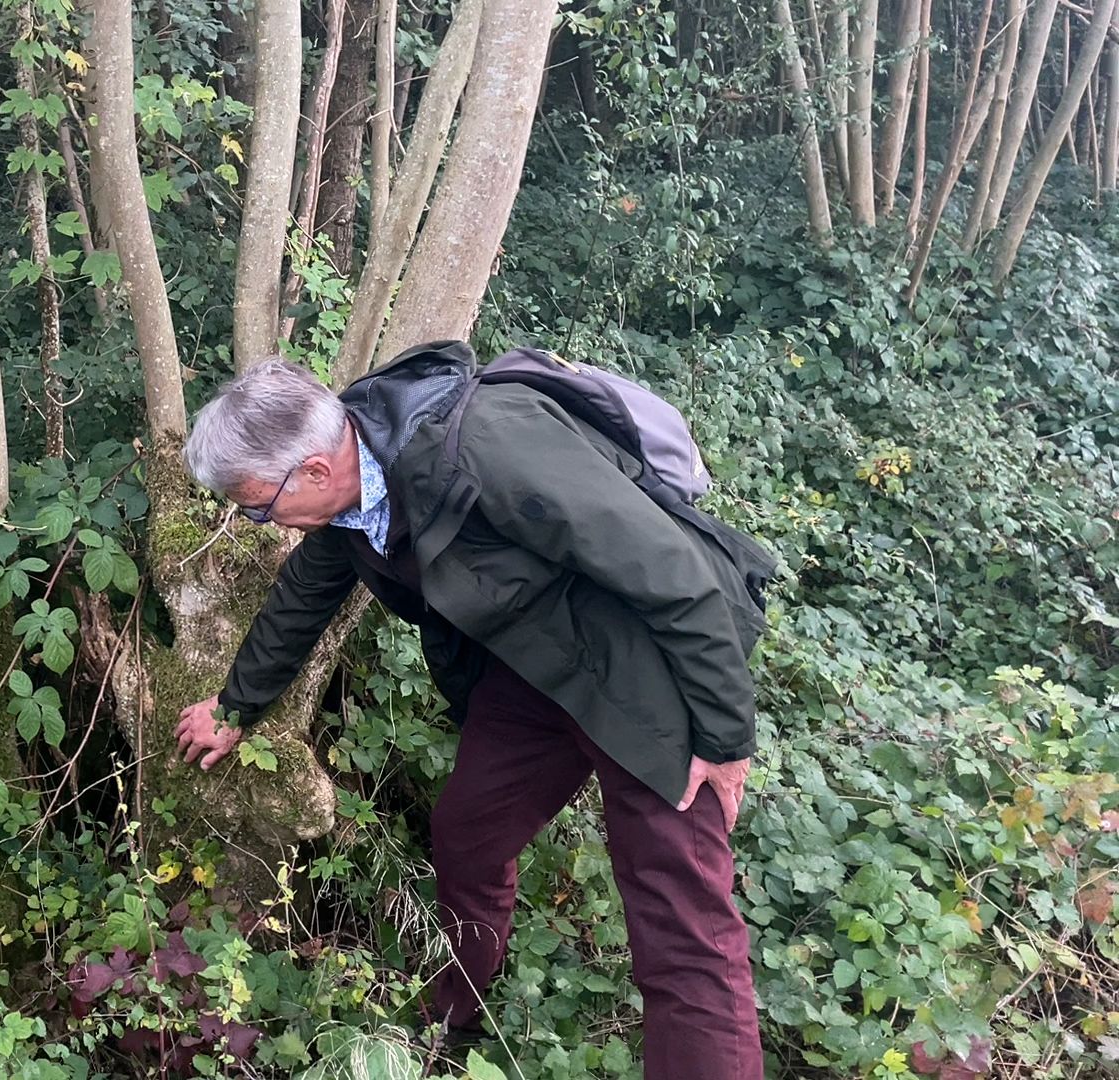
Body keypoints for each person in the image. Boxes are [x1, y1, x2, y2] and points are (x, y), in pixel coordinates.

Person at [174, 342, 768, 1080]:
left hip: (647, 668)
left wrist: (723, 733)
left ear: (316, 469)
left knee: (678, 922)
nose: (267, 524)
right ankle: (451, 1015)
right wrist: (236, 708)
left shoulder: (490, 443)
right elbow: (303, 596)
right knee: (467, 833)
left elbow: (672, 572)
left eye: (261, 507)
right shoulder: (354, 494)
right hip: (535, 674)